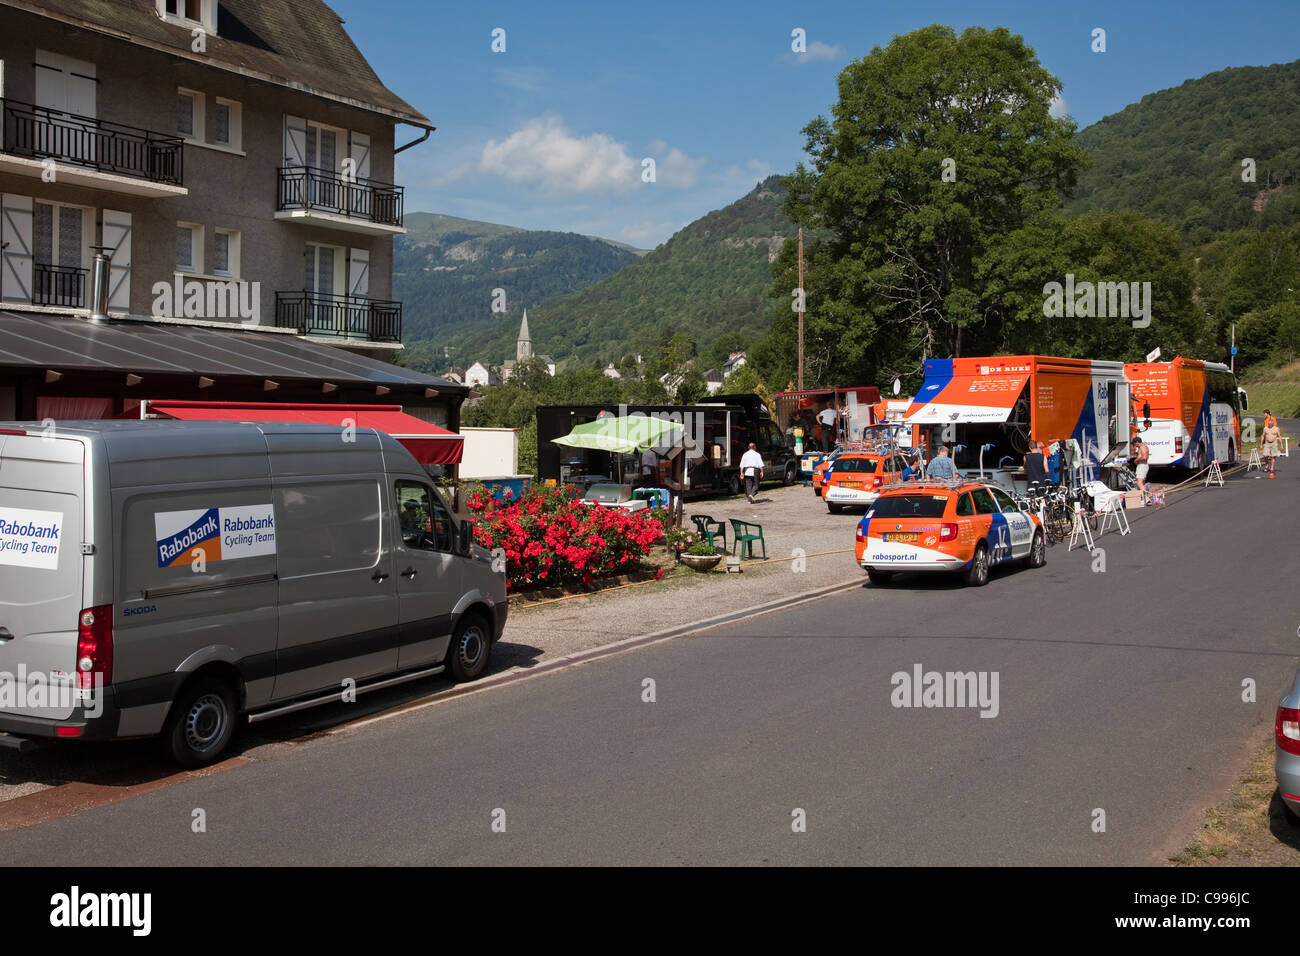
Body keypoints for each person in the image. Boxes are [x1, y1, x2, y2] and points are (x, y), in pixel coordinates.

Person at [1130, 434, 1151, 504]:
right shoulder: (1140, 447)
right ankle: (1145, 498)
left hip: (1142, 465)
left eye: (1134, 443)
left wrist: (1136, 460)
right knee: (1142, 483)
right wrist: (1133, 448)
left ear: (1137, 442)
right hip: (1142, 465)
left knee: (1139, 482)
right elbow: (1134, 453)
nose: (1134, 445)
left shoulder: (1142, 447)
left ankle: (1147, 498)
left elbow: (1145, 457)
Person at [1261, 411, 1282, 479]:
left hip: (1274, 443)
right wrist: (1261, 444)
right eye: (1268, 424)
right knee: (1265, 455)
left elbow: (1279, 436)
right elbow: (1263, 436)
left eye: (1270, 424)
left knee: (1273, 456)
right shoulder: (1265, 428)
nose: (1269, 425)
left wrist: (1282, 445)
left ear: (1273, 424)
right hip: (1267, 443)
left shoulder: (1276, 429)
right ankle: (1267, 465)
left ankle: (1272, 467)